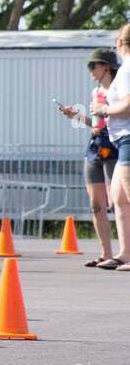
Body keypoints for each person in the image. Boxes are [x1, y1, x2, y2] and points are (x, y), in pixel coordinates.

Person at [58, 48, 121, 266]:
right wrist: (76, 115)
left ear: (106, 67)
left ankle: (124, 252)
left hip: (115, 143)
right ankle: (105, 253)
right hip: (96, 144)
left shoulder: (120, 89)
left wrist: (107, 110)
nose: (90, 71)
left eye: (92, 66)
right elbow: (96, 124)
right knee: (96, 203)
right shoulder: (95, 92)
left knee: (117, 201)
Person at [89, 23, 130, 271]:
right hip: (121, 139)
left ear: (119, 43)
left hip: (128, 137)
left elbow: (127, 106)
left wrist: (104, 109)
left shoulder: (126, 71)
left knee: (126, 195)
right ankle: (125, 253)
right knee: (119, 198)